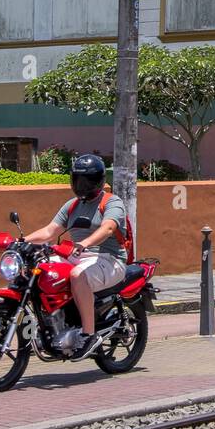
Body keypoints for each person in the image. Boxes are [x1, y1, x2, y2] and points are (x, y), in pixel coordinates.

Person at [23, 154, 128, 360]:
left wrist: (85, 243)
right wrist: (21, 241)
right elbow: (49, 231)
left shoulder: (112, 202)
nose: (82, 185)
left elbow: (108, 228)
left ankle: (88, 335)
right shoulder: (72, 205)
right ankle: (52, 322)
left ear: (98, 180)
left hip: (109, 258)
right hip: (76, 255)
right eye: (78, 179)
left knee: (78, 275)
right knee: (40, 269)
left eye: (87, 180)